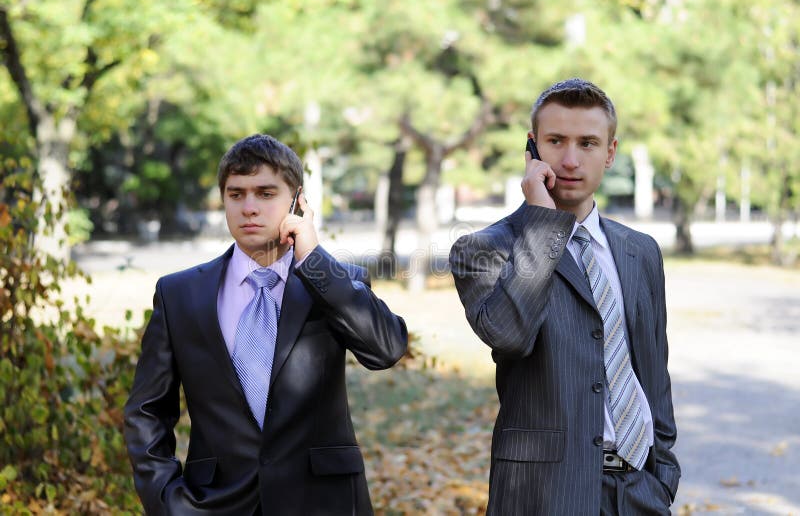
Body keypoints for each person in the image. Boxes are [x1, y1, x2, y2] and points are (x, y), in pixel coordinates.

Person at [124, 134, 408, 515]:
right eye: (236, 194)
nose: (249, 208)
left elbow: (386, 348)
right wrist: (169, 502)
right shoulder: (180, 295)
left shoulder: (334, 282)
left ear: (298, 202)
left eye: (266, 193)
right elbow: (146, 412)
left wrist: (314, 261)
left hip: (324, 503)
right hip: (215, 505)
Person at [449, 78, 680, 515]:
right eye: (556, 141)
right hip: (544, 496)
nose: (571, 160)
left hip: (640, 494)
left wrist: (663, 474)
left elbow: (654, 373)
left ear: (610, 153)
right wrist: (541, 220)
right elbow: (510, 335)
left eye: (588, 143)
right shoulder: (484, 249)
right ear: (532, 149)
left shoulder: (640, 252)